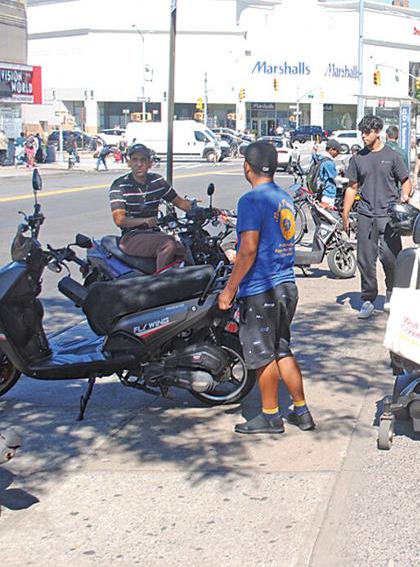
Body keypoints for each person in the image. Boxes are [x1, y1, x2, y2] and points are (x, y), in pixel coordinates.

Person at [217, 141, 315, 435]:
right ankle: (302, 411)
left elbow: (247, 249)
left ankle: (270, 416)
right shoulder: (282, 197)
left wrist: (229, 289)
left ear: (247, 167)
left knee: (263, 355)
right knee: (282, 348)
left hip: (261, 288)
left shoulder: (251, 200)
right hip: (286, 285)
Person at [342, 115, 412, 319]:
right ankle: (368, 299)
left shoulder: (392, 156)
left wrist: (405, 194)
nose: (363, 136)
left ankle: (391, 294)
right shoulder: (358, 159)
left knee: (391, 259)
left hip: (388, 215)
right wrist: (345, 214)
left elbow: (406, 180)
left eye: (367, 132)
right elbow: (352, 187)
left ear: (378, 132)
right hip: (365, 214)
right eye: (362, 132)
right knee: (365, 260)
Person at [109, 144, 194, 273]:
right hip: (131, 237)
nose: (139, 164)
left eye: (143, 160)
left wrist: (202, 210)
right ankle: (160, 285)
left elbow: (180, 202)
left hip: (153, 233)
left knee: (185, 249)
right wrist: (144, 221)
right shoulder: (120, 185)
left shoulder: (157, 182)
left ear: (150, 163)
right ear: (129, 163)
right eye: (135, 160)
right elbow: (119, 220)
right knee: (167, 245)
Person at [318, 139, 341, 207]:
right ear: (331, 150)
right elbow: (336, 179)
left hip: (323, 191)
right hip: (328, 193)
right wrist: (349, 180)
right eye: (337, 151)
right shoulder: (328, 163)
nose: (338, 153)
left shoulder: (321, 158)